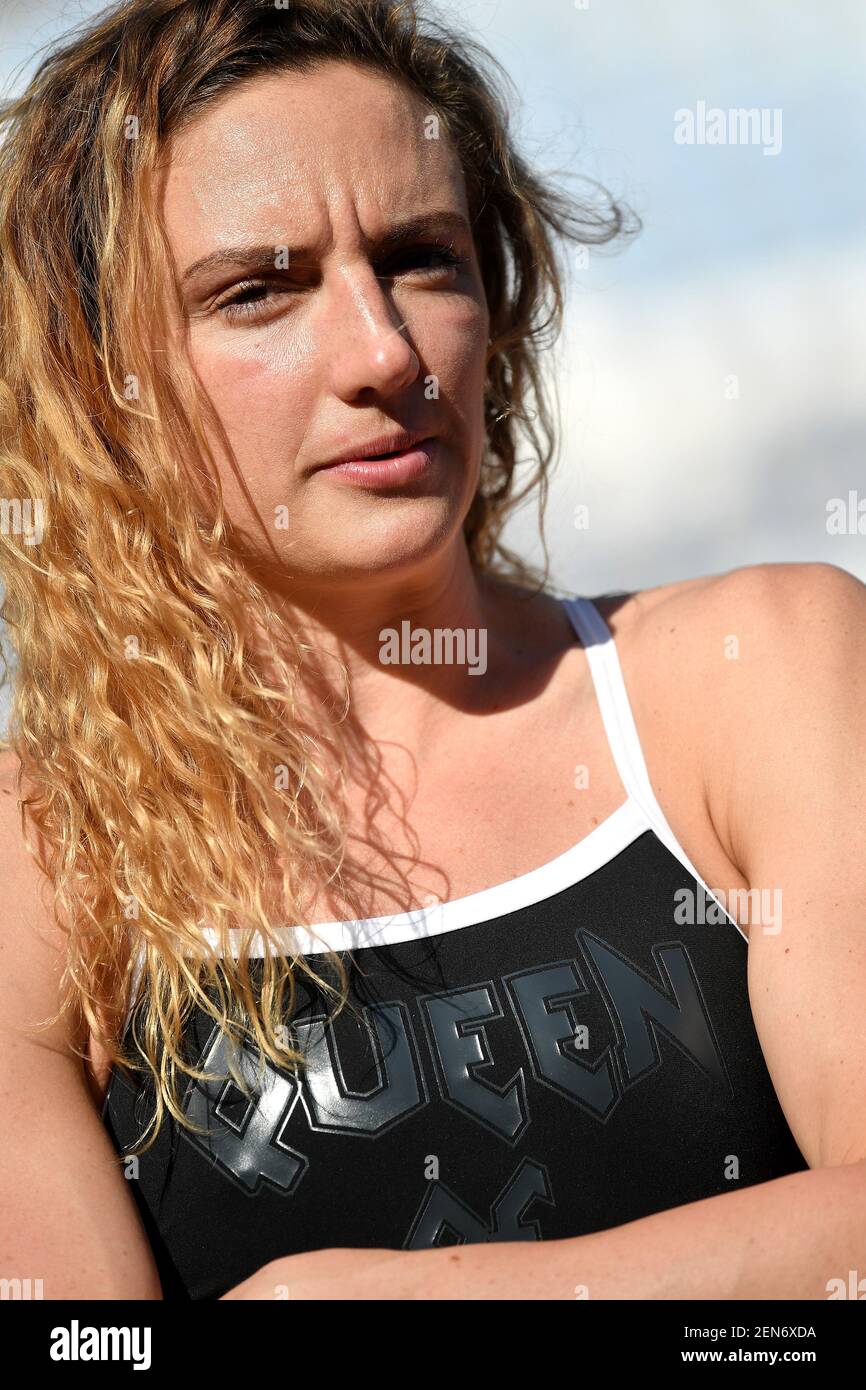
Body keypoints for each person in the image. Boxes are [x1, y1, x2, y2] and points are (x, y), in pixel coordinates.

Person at [0, 0, 864, 1303]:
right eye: (259, 290)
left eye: (421, 259)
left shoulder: (751, 674)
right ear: (96, 378)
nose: (384, 354)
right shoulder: (42, 854)